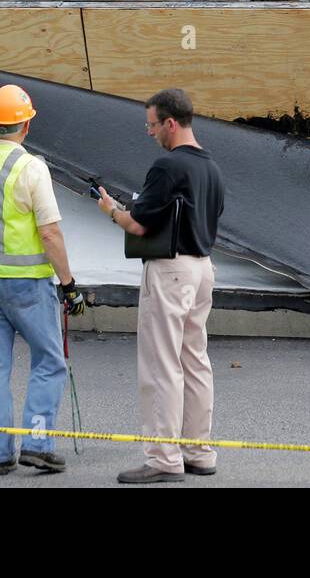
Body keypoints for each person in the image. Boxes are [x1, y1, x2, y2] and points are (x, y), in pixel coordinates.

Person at [0, 84, 85, 476]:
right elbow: (49, 233)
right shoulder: (32, 168)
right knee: (49, 361)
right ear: (26, 125)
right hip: (25, 284)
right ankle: (37, 444)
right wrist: (69, 285)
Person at [98, 87, 224, 484]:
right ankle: (197, 451)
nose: (150, 132)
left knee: (161, 365)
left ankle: (163, 458)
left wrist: (112, 210)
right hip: (202, 267)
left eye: (152, 125)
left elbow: (138, 223)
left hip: (170, 270)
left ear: (170, 123)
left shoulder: (168, 168)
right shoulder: (211, 168)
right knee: (195, 361)